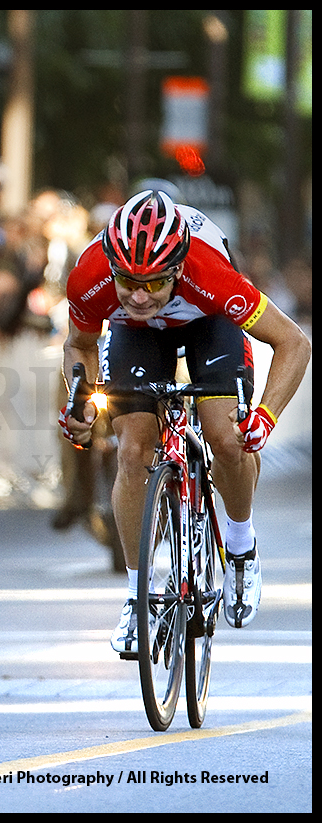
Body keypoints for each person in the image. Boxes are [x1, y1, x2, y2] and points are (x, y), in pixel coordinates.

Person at [59, 190, 311, 654]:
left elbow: (294, 343)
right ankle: (138, 599)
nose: (137, 295)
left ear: (177, 269)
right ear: (112, 267)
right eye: (127, 281)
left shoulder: (212, 277)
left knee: (228, 437)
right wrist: (84, 402)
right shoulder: (90, 277)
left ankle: (239, 548)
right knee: (133, 451)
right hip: (134, 338)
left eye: (153, 283)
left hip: (208, 321)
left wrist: (266, 418)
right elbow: (79, 345)